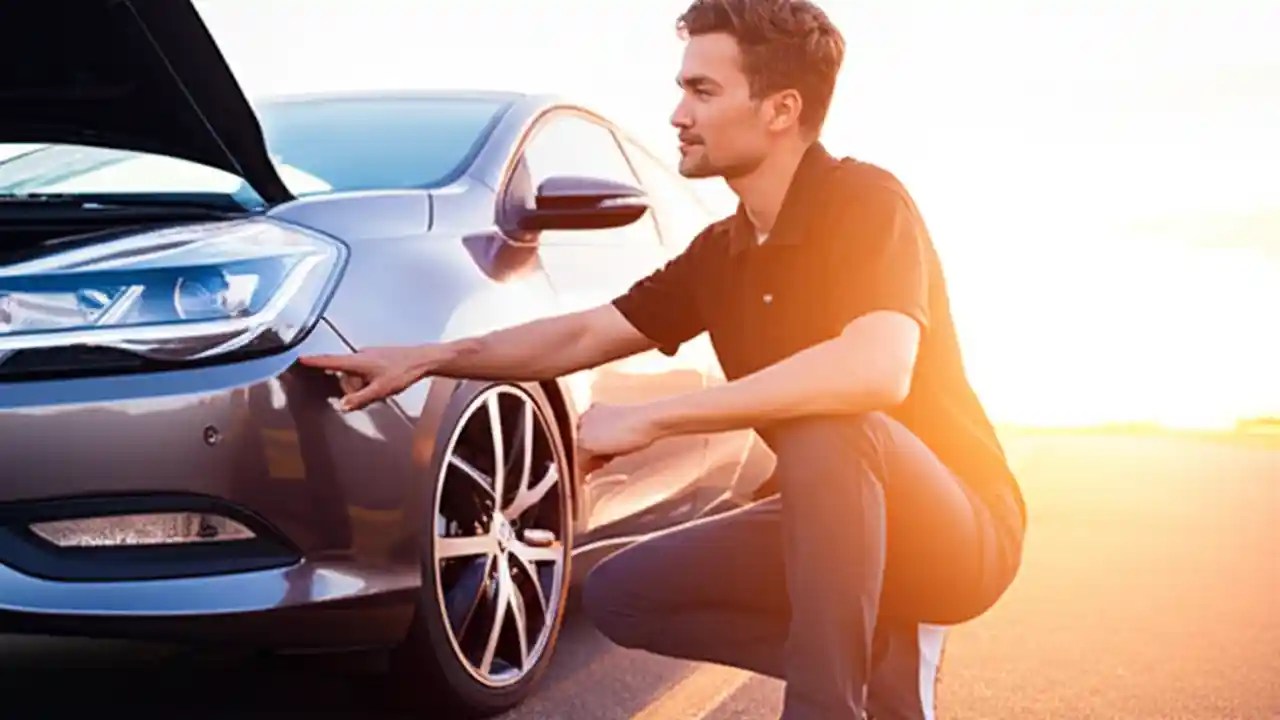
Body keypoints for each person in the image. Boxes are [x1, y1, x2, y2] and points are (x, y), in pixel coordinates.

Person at [300, 1, 1026, 717]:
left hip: (953, 530)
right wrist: (431, 357)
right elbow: (583, 334)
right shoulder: (723, 253)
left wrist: (653, 419)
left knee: (829, 423)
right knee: (624, 593)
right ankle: (874, 659)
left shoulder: (866, 200)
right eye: (683, 89)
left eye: (702, 91)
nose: (679, 113)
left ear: (780, 109)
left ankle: (825, 704)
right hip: (826, 520)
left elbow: (874, 370)